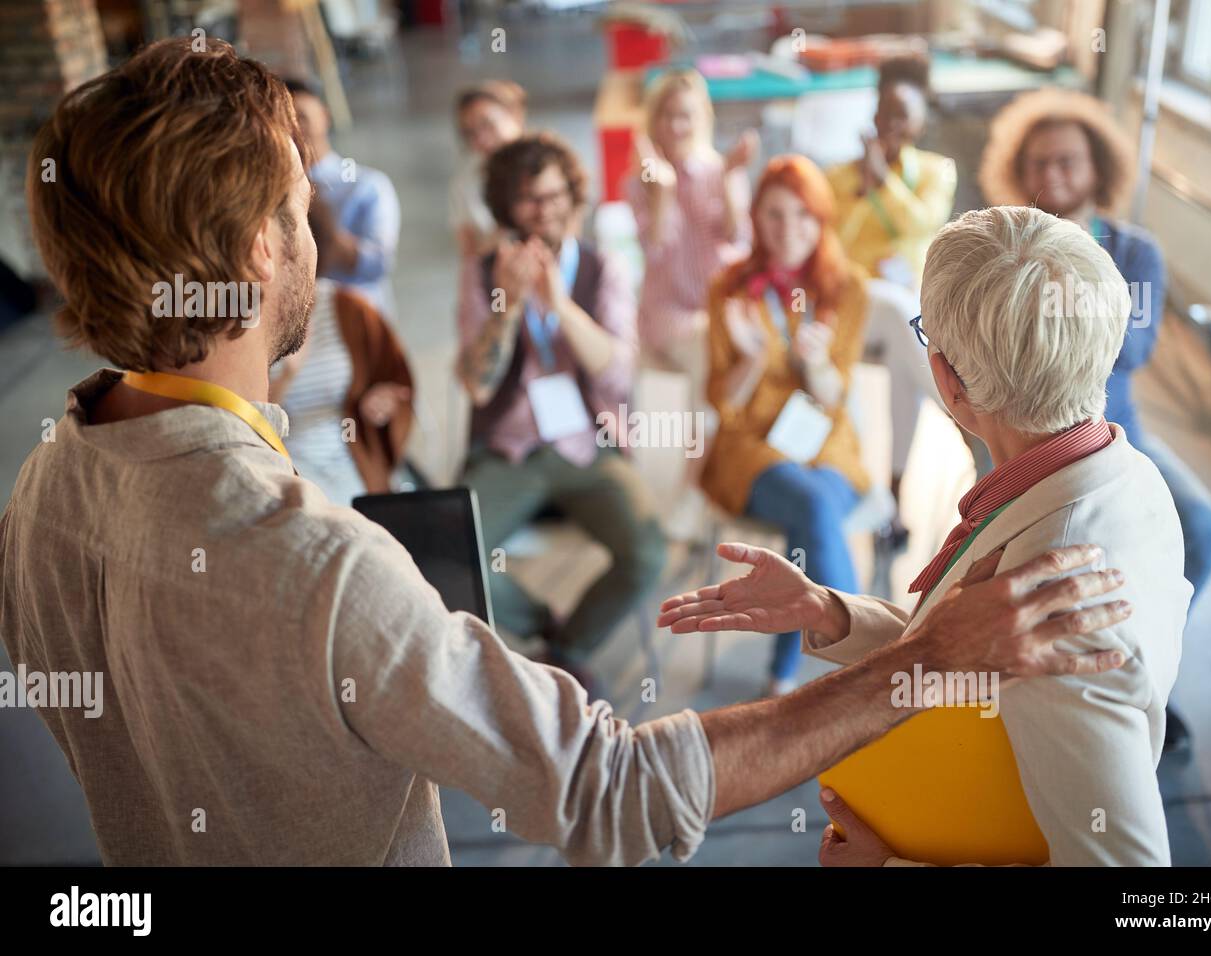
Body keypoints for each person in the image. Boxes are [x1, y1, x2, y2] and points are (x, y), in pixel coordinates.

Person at [1, 39, 1133, 867]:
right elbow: (611, 792)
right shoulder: (321, 567)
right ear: (261, 244)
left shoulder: (44, 485)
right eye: (299, 209)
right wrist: (923, 664)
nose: (316, 234)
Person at [664, 207, 1191, 866]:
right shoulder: (1117, 474)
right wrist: (834, 612)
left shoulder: (1061, 595)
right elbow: (972, 648)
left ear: (947, 381)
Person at [979, 87, 1211, 753]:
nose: (1051, 176)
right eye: (1037, 164)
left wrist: (1057, 291)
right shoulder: (1004, 247)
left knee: (1203, 528)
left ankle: (1141, 666)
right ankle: (1039, 689)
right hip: (1020, 447)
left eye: (1067, 161)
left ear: (1098, 169)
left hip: (1117, 441)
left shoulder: (1136, 252)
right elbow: (989, 353)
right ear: (1019, 170)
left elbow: (1133, 350)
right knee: (1026, 563)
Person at [455, 132, 669, 692]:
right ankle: (540, 624)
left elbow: (618, 372)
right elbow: (477, 388)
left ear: (575, 200)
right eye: (529, 200)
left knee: (646, 551)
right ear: (506, 207)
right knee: (449, 553)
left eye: (555, 198)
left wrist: (561, 305)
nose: (544, 213)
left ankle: (570, 648)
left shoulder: (604, 269)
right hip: (509, 447)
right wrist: (508, 306)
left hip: (588, 443)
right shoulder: (481, 273)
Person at [701, 155, 872, 697]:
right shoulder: (730, 288)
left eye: (803, 214)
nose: (788, 229)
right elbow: (722, 405)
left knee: (812, 510)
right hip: (751, 447)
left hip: (825, 442)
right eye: (773, 214)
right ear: (755, 218)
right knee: (815, 507)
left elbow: (836, 394)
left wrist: (816, 364)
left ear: (822, 218)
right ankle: (868, 663)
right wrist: (751, 360)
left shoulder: (847, 288)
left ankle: (781, 677)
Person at [825, 54, 960, 546]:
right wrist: (863, 188)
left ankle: (892, 501)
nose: (892, 124)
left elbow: (921, 223)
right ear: (872, 115)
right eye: (884, 113)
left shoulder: (935, 171)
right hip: (850, 311)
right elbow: (832, 243)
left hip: (908, 318)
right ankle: (962, 411)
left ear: (921, 120)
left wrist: (883, 181)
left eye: (904, 114)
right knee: (904, 320)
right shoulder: (840, 177)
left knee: (909, 355)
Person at [623, 68, 754, 540]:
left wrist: (734, 180)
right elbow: (654, 250)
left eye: (685, 117)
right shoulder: (641, 179)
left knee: (751, 351)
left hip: (718, 306)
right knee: (711, 354)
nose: (676, 127)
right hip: (667, 313)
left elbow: (739, 239)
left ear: (700, 119)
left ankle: (734, 470)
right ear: (653, 120)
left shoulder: (717, 168)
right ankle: (694, 489)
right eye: (666, 117)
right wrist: (661, 196)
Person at [268, 193, 415, 505]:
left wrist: (380, 405)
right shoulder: (246, 318)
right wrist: (286, 378)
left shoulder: (350, 310)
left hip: (352, 467)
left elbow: (399, 390)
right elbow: (243, 425)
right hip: (285, 474)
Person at [287, 77, 401, 319]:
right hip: (300, 325)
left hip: (359, 320)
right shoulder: (271, 190)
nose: (294, 127)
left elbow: (377, 265)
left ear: (325, 116)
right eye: (284, 120)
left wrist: (324, 230)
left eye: (302, 116)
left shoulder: (368, 185)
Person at [451, 80, 526, 258]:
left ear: (515, 115)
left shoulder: (549, 165)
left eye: (488, 124)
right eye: (470, 133)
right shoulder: (466, 182)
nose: (482, 139)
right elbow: (469, 253)